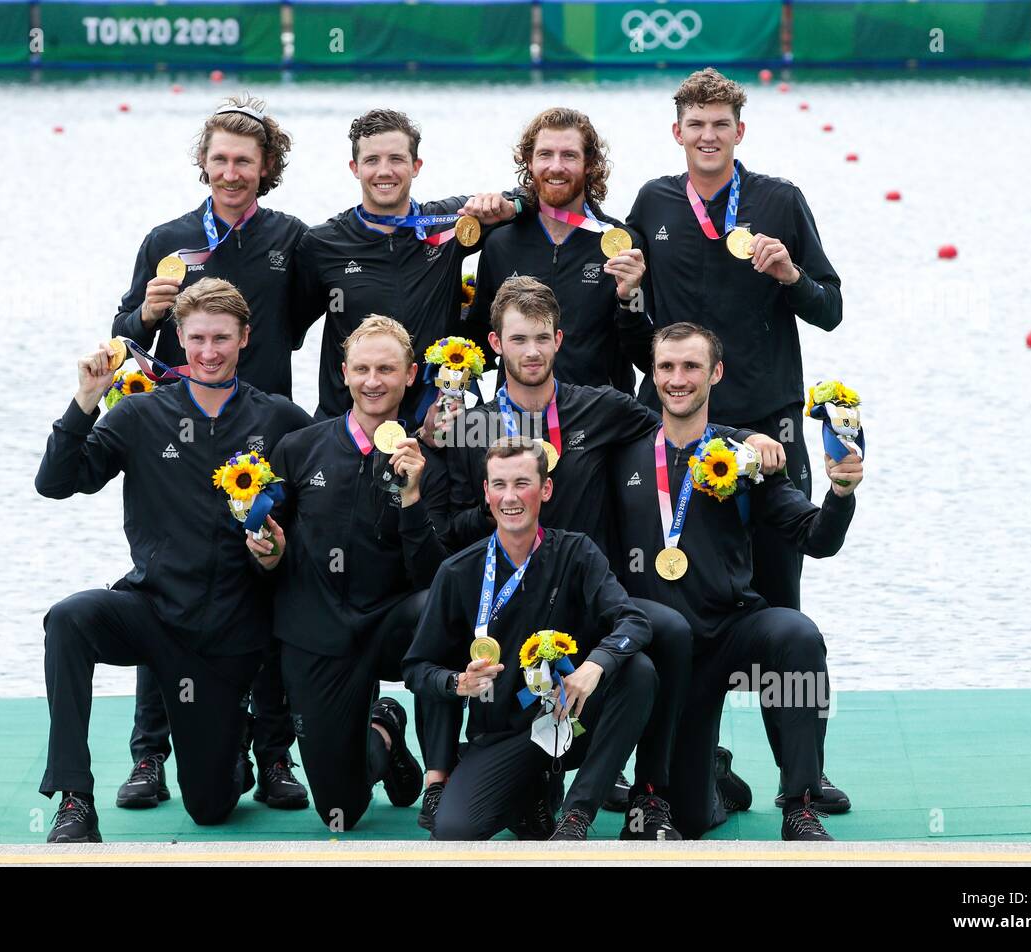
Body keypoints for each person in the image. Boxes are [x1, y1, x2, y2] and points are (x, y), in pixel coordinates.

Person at [443, 276, 784, 835]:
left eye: (541, 339)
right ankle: (454, 778)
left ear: (560, 340)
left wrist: (747, 438)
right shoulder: (467, 428)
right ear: (495, 344)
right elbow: (448, 529)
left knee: (665, 633)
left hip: (585, 598)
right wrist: (502, 504)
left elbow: (683, 426)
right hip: (501, 607)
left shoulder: (601, 408)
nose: (531, 352)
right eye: (518, 339)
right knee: (485, 825)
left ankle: (650, 793)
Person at [628, 68, 850, 812]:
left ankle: (804, 776)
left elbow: (830, 310)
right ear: (677, 132)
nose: (708, 135)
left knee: (782, 606)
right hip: (684, 436)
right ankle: (698, 759)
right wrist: (625, 294)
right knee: (684, 595)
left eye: (721, 123)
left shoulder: (779, 200)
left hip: (771, 433)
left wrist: (790, 274)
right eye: (696, 123)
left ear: (739, 131)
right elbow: (640, 337)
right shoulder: (654, 203)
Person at [35, 278, 313, 842]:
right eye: (197, 339)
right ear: (179, 340)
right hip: (155, 614)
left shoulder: (279, 420)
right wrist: (86, 400)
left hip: (231, 638)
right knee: (68, 619)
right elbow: (56, 483)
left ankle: (236, 747)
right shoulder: (138, 415)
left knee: (210, 806)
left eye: (222, 339)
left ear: (245, 339)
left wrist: (281, 549)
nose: (209, 352)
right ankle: (74, 799)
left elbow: (319, 510)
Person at [109, 94, 311, 813]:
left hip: (265, 441)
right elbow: (123, 339)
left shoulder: (291, 240)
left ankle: (275, 754)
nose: (231, 172)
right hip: (178, 446)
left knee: (270, 587)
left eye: (244, 162)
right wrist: (147, 315)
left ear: (266, 169)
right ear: (203, 162)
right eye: (220, 158)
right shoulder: (166, 239)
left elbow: (345, 300)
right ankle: (147, 757)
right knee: (163, 585)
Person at [609, 322, 863, 840]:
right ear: (652, 374)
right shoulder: (623, 454)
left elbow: (816, 538)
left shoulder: (747, 457)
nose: (678, 379)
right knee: (692, 819)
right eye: (666, 367)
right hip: (666, 652)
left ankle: (801, 803)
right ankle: (716, 781)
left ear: (716, 373)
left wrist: (840, 494)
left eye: (692, 367)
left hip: (730, 632)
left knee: (796, 634)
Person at [248, 317, 460, 832]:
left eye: (387, 369)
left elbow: (434, 575)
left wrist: (411, 497)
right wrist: (267, 552)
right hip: (317, 631)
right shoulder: (299, 449)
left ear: (411, 376)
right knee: (341, 812)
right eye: (362, 369)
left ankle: (439, 778)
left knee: (440, 610)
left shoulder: (426, 461)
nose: (373, 381)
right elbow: (270, 541)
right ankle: (386, 730)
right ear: (343, 373)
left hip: (391, 623)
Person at [404, 438, 657, 841]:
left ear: (545, 489)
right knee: (454, 830)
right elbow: (417, 669)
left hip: (569, 716)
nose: (510, 497)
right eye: (499, 485)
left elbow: (634, 621)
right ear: (485, 493)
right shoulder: (458, 572)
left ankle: (576, 814)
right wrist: (457, 683)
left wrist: (595, 665)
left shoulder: (577, 553)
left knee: (637, 673)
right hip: (503, 735)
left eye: (522, 483)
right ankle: (531, 795)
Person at [293, 108, 520, 424]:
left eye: (396, 159)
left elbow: (529, 198)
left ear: (416, 166)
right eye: (372, 160)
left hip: (430, 426)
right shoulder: (322, 244)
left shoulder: (450, 222)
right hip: (345, 425)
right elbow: (291, 332)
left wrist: (509, 205)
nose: (384, 171)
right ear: (354, 168)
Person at [463, 107, 652, 393]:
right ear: (529, 161)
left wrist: (630, 298)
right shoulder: (500, 244)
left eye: (569, 155)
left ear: (589, 163)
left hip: (601, 421)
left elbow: (645, 356)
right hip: (520, 422)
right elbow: (482, 345)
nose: (556, 166)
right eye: (545, 154)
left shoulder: (623, 245)